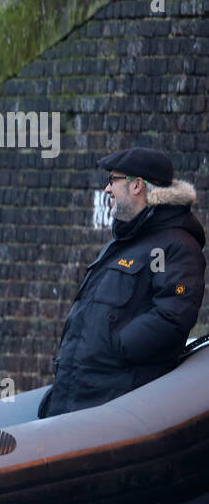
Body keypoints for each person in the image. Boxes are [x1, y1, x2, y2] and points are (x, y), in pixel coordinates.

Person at [40, 147, 206, 418]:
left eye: (113, 180)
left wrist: (116, 348)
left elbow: (172, 315)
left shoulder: (176, 246)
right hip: (77, 394)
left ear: (137, 185)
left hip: (113, 401)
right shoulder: (124, 242)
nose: (107, 189)